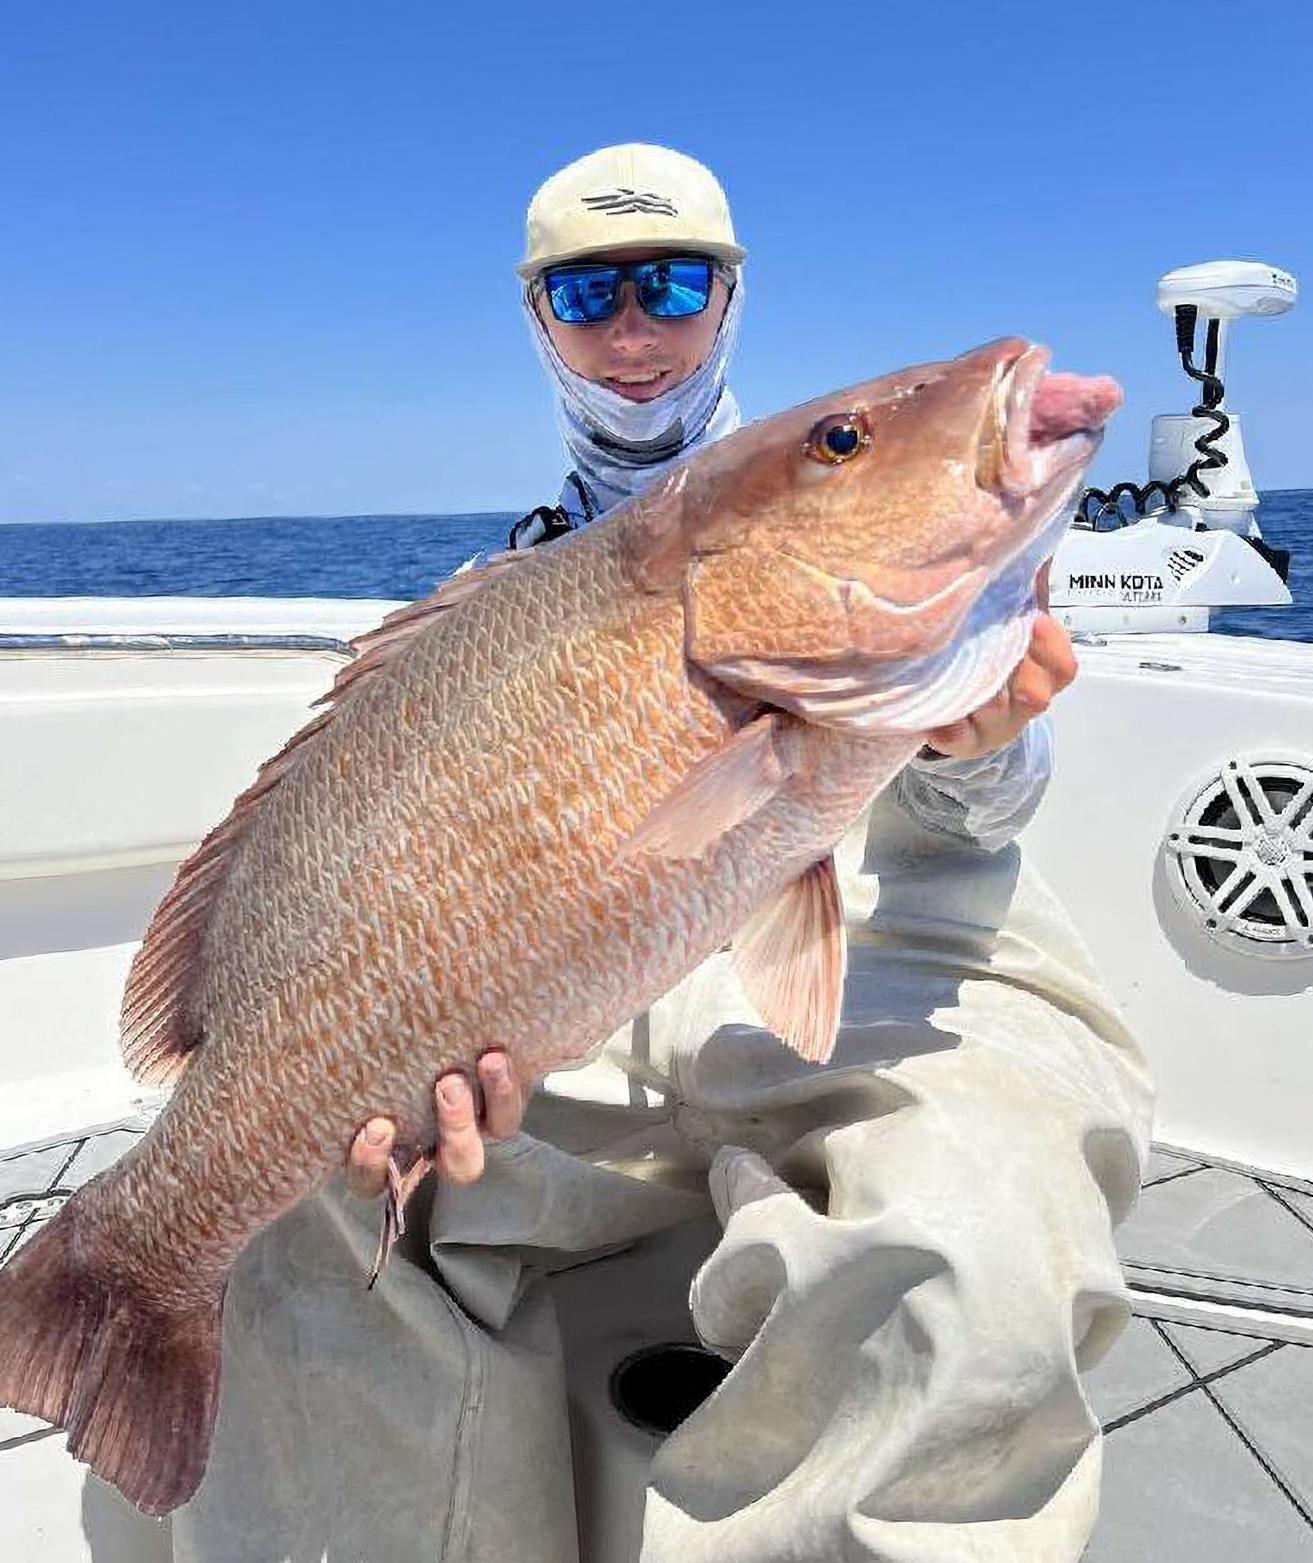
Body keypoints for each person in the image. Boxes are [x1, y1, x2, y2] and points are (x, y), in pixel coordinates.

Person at [173, 145, 1152, 1563]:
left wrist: (979, 738)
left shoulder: (954, 564)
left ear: (728, 301)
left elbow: (977, 831)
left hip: (872, 981)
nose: (633, 327)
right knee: (311, 1227)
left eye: (675, 283)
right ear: (538, 321)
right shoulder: (497, 606)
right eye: (586, 294)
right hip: (584, 1017)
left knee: (977, 1228)